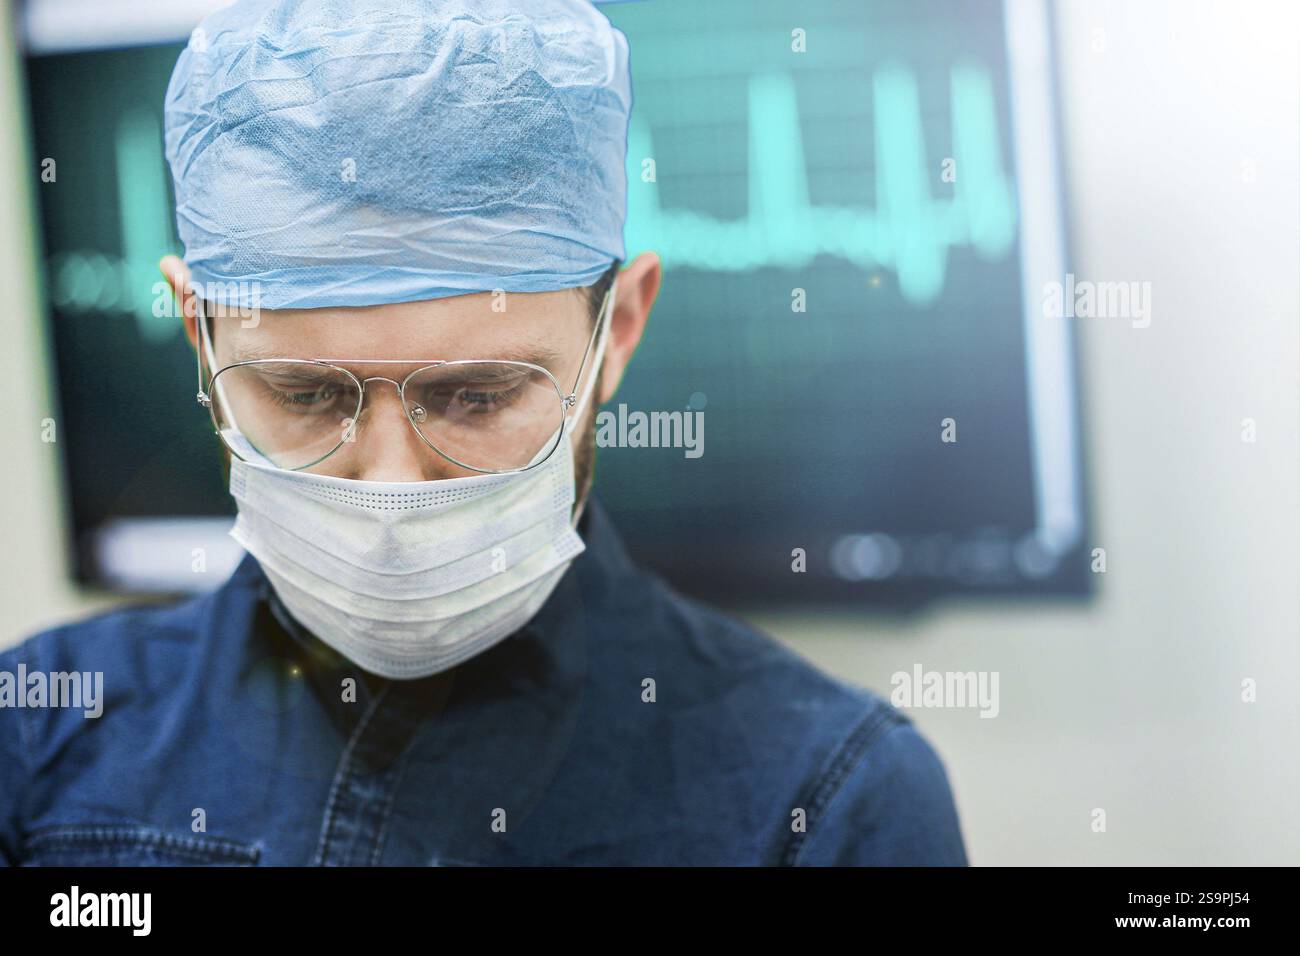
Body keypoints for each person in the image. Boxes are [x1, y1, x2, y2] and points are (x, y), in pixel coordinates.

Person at [0, 0, 967, 866]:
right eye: (306, 395)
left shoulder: (824, 805)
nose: (391, 490)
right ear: (198, 334)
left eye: (475, 396)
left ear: (616, 330)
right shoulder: (38, 743)